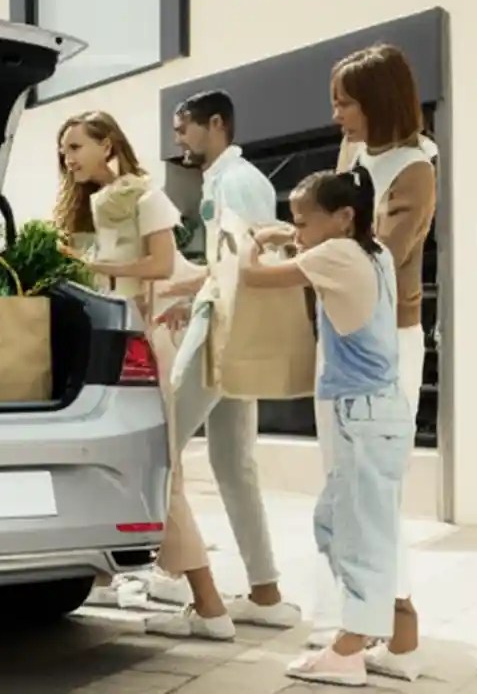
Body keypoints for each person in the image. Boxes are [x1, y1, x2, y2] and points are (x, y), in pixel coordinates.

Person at [53, 111, 236, 640]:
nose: (68, 158)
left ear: (107, 144)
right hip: (112, 340)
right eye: (64, 151)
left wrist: (93, 268)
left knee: (162, 470)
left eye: (76, 147)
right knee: (141, 466)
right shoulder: (95, 202)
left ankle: (209, 605)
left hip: (143, 342)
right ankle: (182, 595)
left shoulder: (146, 196)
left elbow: (160, 266)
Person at [134, 90, 300, 632]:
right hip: (224, 326)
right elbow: (224, 265)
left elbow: (241, 264)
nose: (177, 137)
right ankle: (266, 593)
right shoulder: (224, 180)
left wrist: (180, 292)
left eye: (184, 127)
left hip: (223, 330)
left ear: (216, 124)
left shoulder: (239, 181)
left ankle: (178, 579)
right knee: (234, 464)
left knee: (160, 443)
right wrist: (188, 295)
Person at [242, 167, 413, 687]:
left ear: (343, 217)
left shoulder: (333, 254)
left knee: (355, 533)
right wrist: (287, 234)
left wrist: (253, 243)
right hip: (381, 410)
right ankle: (394, 639)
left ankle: (349, 649)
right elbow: (303, 252)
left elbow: (255, 278)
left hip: (359, 414)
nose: (297, 230)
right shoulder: (373, 252)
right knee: (349, 526)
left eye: (302, 221)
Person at [301, 43, 436, 680]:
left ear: (378, 102)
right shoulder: (358, 155)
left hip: (385, 346)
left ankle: (384, 634)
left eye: (346, 102)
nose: (336, 115)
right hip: (344, 338)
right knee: (346, 489)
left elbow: (370, 254)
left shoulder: (415, 167)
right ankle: (372, 628)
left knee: (369, 491)